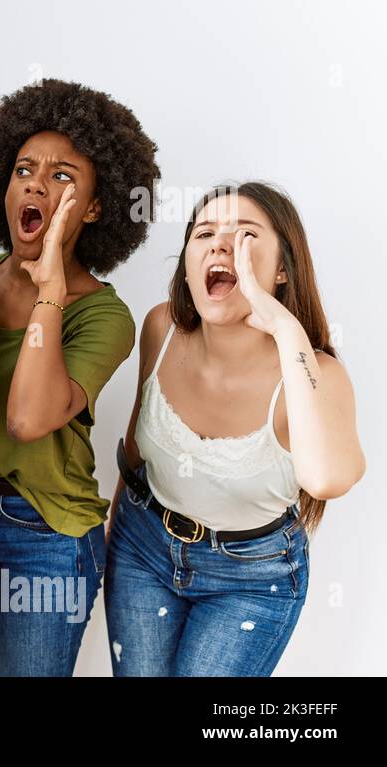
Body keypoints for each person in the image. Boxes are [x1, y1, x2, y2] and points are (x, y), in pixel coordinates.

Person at [0, 79, 160, 676]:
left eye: (63, 175)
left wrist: (50, 293)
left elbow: (26, 418)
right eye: (23, 170)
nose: (35, 183)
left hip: (46, 533)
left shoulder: (104, 315)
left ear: (94, 207)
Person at [105, 182, 364, 676]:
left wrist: (285, 328)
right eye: (204, 234)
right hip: (143, 551)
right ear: (187, 262)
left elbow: (328, 480)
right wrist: (116, 541)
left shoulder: (318, 374)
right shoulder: (161, 328)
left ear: (283, 269)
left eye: (245, 236)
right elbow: (135, 451)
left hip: (252, 579)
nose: (221, 245)